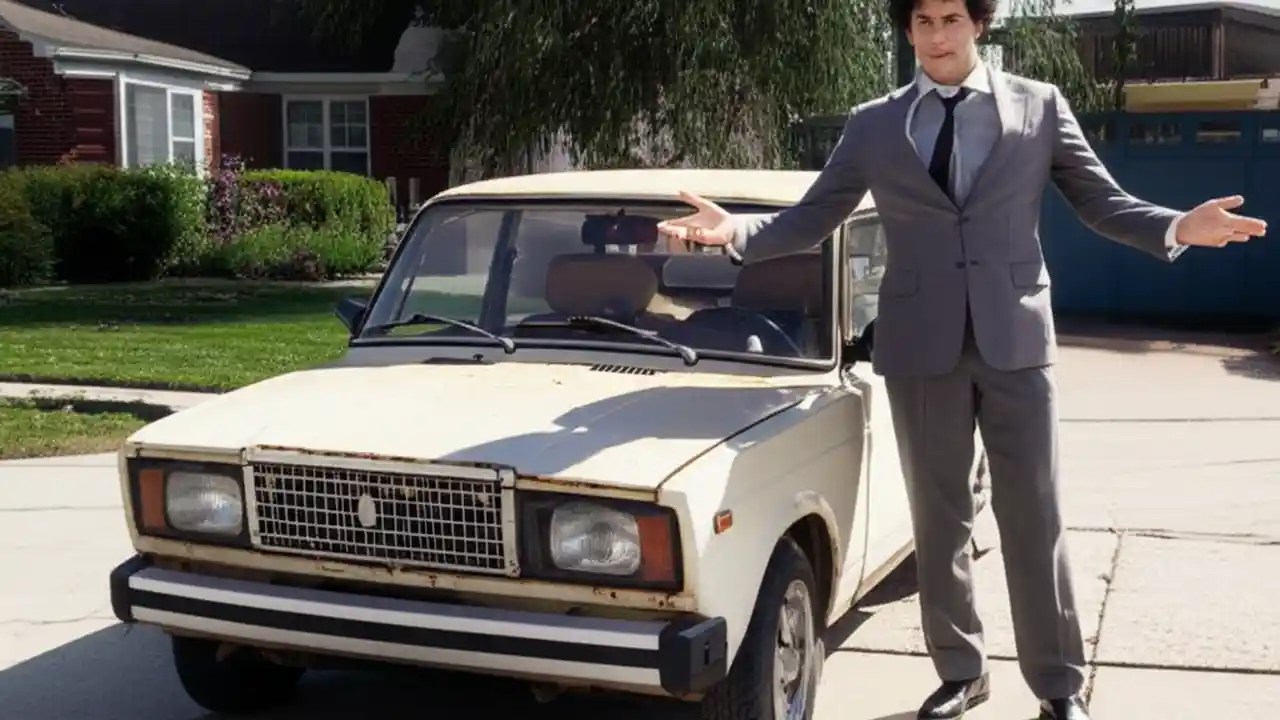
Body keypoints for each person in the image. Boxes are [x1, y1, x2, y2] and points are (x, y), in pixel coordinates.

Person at [656, 0, 1269, 717]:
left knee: (1033, 518)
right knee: (939, 521)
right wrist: (737, 230)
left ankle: (1059, 686)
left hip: (1016, 343)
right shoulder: (875, 123)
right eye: (922, 20)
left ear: (979, 23)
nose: (938, 35)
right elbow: (812, 217)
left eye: (952, 17)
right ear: (908, 30)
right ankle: (961, 671)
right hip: (920, 347)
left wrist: (1176, 226)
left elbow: (1101, 203)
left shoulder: (1039, 108)